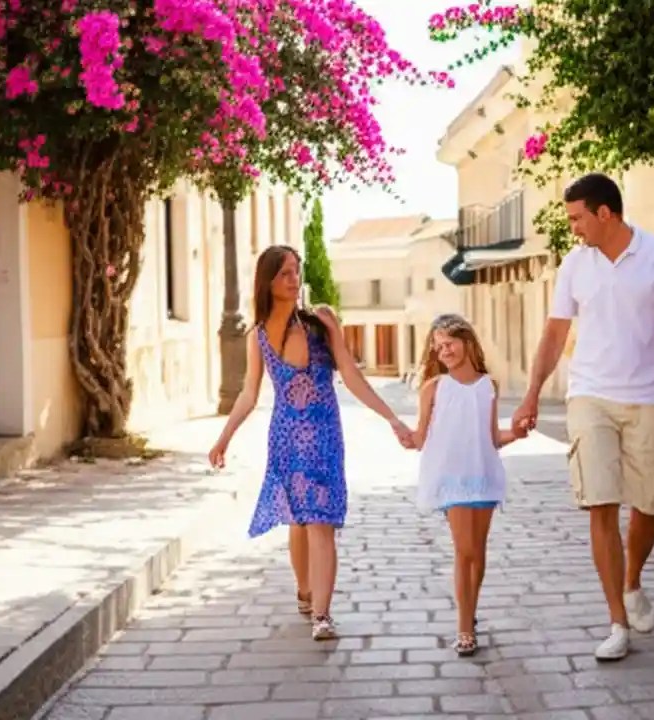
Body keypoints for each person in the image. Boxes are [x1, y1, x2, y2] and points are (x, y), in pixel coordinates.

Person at [512, 173, 654, 661]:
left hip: (649, 397)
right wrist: (532, 392)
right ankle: (617, 620)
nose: (572, 228)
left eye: (577, 218)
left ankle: (632, 582)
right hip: (590, 394)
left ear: (604, 213)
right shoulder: (575, 265)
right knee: (600, 503)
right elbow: (554, 335)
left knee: (647, 506)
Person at [208, 245, 412, 641]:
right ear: (268, 281)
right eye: (285, 273)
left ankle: (322, 613)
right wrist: (223, 438)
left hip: (324, 436)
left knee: (321, 521)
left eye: (296, 271)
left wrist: (392, 418)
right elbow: (249, 394)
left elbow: (350, 375)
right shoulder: (258, 336)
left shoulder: (322, 320)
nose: (293, 278)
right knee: (299, 518)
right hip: (286, 437)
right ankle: (305, 592)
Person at [406, 314, 525, 656]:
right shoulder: (434, 388)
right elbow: (420, 436)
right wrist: (405, 435)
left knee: (479, 552)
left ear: (467, 341)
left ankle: (470, 614)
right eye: (439, 346)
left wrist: (515, 433)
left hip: (484, 475)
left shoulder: (489, 386)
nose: (445, 351)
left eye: (450, 343)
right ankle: (463, 628)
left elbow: (492, 437)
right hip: (453, 479)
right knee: (465, 550)